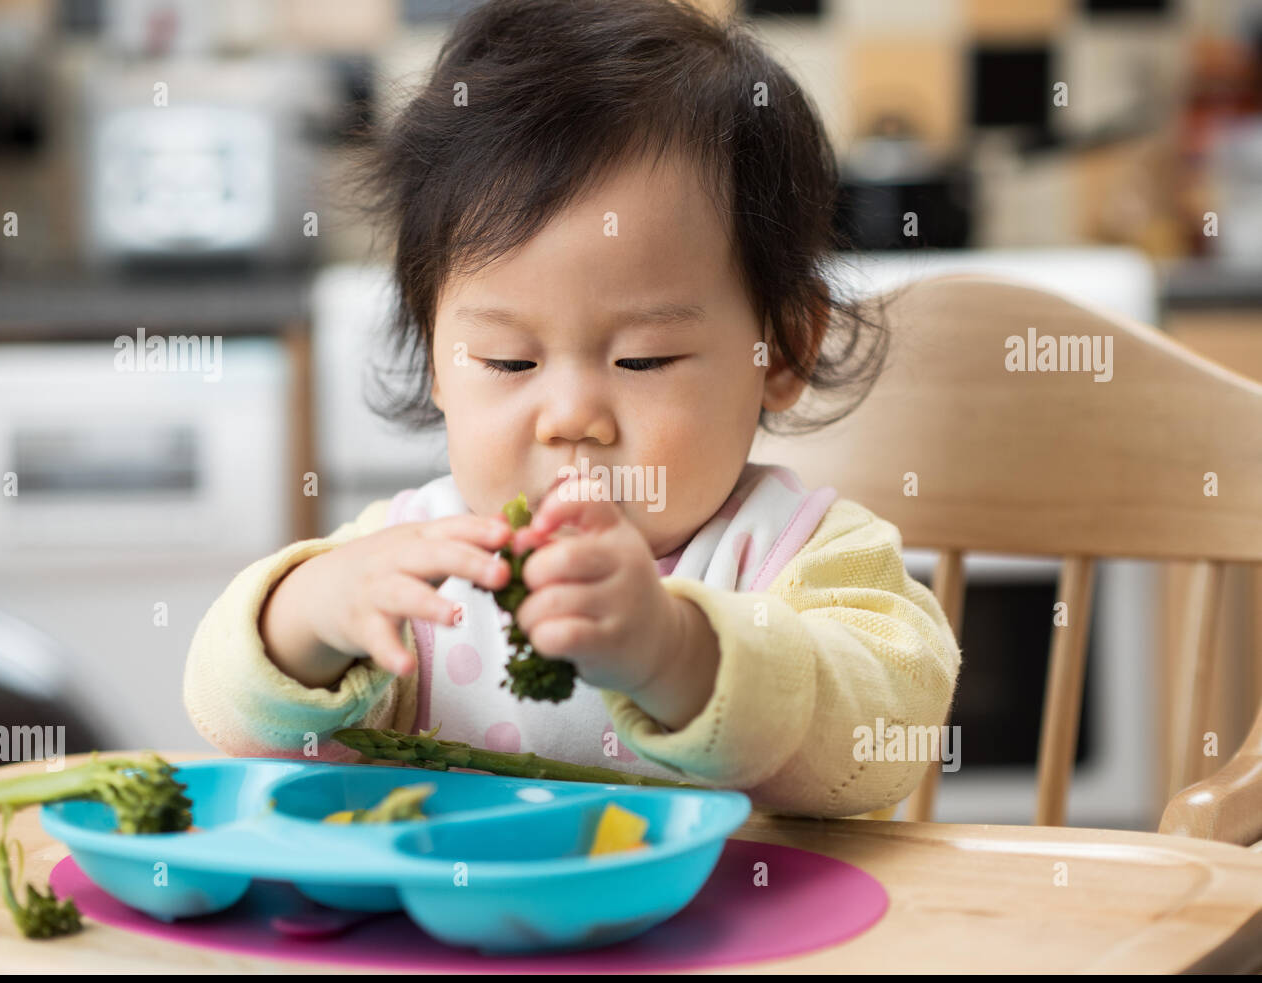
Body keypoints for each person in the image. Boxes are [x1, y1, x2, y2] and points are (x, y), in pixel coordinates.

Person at [183, 0, 962, 820]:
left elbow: (887, 741)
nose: (570, 417)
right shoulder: (417, 570)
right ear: (438, 360)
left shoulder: (802, 556)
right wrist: (305, 616)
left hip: (743, 949)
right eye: (508, 361)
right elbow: (233, 719)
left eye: (642, 359)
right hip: (467, 944)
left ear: (787, 349)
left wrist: (679, 653)